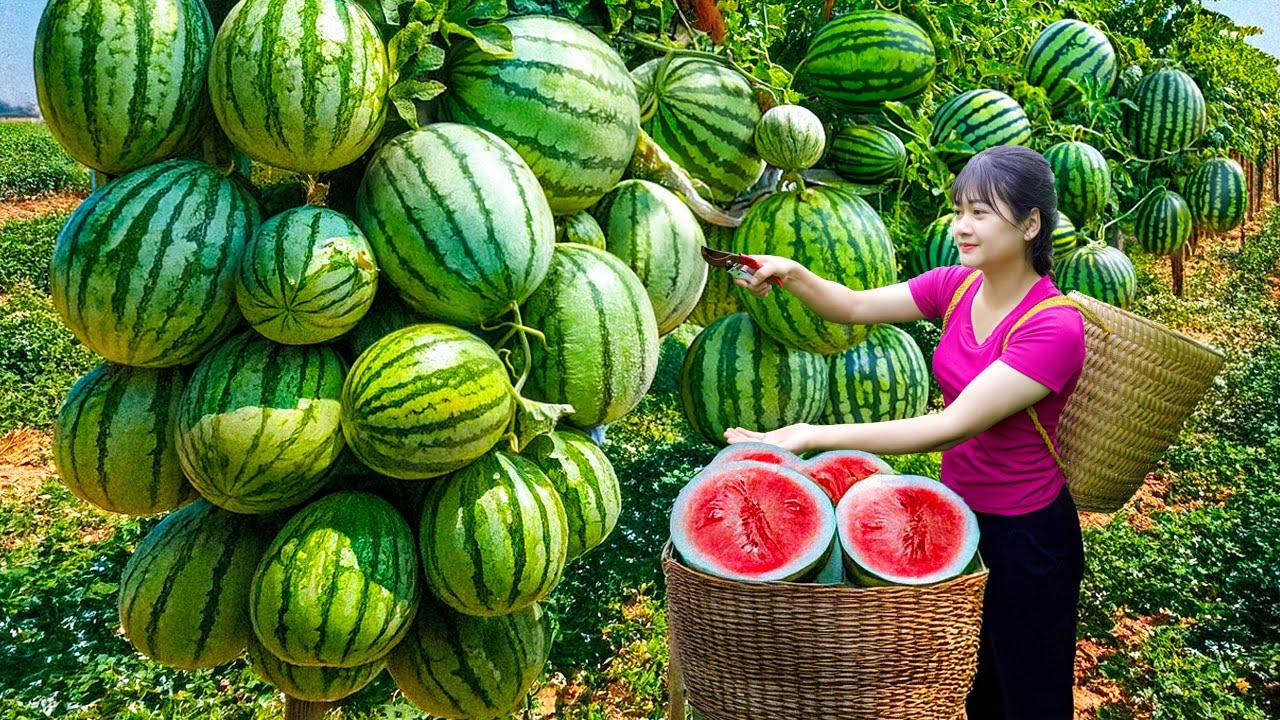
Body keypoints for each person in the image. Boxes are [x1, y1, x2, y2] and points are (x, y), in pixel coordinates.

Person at [724, 144, 1086, 720]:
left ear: (1030, 224)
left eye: (981, 213)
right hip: (956, 516)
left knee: (1031, 692)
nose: (961, 227)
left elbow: (950, 425)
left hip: (1027, 536)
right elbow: (850, 306)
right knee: (980, 686)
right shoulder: (957, 287)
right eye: (959, 209)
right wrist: (790, 274)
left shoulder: (1054, 326)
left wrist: (810, 434)